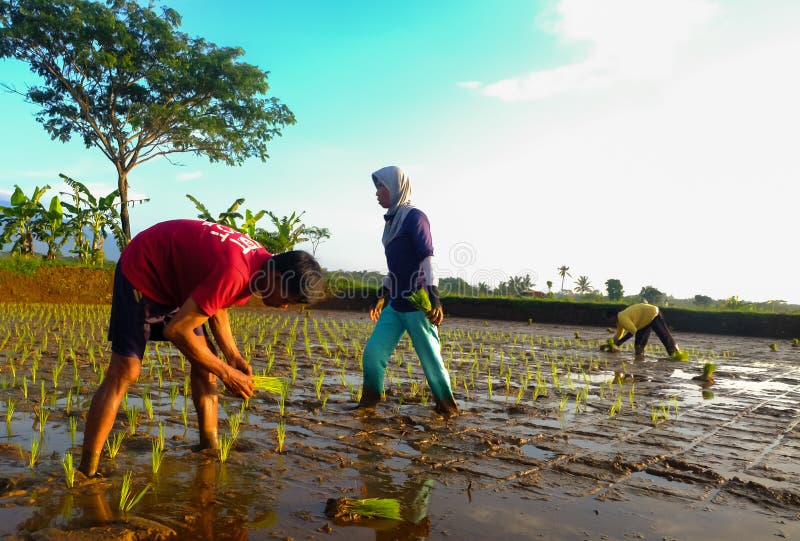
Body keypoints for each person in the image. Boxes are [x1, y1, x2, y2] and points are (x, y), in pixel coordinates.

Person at [78, 219, 323, 477]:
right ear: (276, 277)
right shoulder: (237, 271)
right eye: (286, 299)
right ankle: (87, 470)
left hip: (178, 284)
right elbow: (177, 330)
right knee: (126, 370)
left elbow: (217, 305)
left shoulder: (259, 265)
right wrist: (228, 374)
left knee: (206, 364)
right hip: (144, 269)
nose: (284, 307)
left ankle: (209, 448)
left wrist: (233, 356)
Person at [358, 165, 458, 417]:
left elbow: (427, 258)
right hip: (396, 305)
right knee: (373, 353)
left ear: (395, 187)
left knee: (432, 363)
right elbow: (395, 270)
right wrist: (382, 294)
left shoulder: (415, 217)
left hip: (417, 303)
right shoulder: (391, 225)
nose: (377, 193)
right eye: (376, 187)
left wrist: (434, 297)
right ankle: (369, 403)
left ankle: (447, 408)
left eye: (381, 187)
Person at [605, 303, 681, 358]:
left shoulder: (622, 318)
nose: (609, 321)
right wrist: (611, 343)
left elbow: (632, 331)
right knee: (638, 346)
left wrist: (618, 343)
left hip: (652, 313)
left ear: (613, 316)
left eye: (609, 319)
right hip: (643, 321)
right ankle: (640, 362)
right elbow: (619, 333)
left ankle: (677, 355)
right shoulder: (619, 321)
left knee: (664, 336)